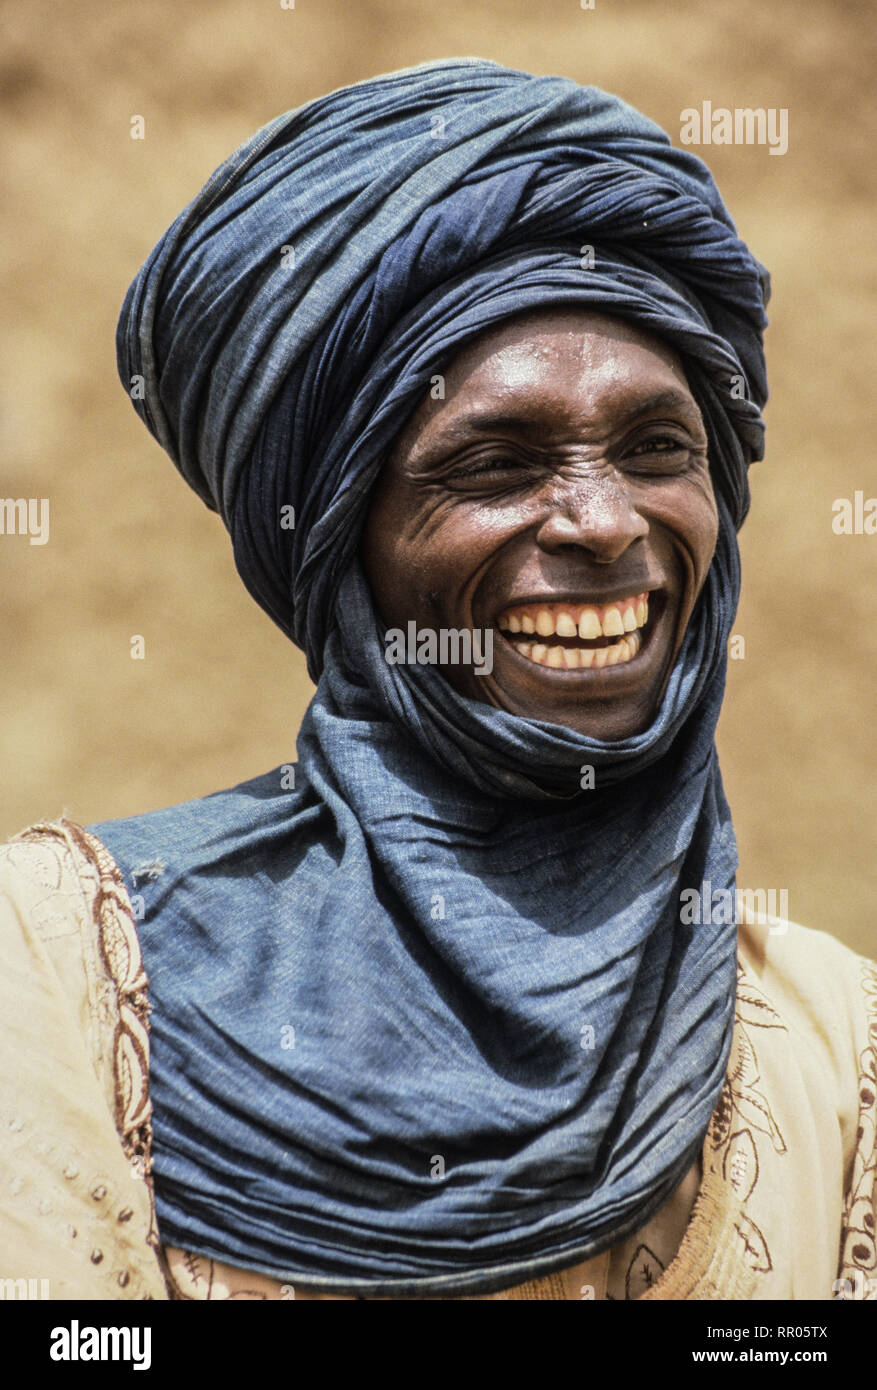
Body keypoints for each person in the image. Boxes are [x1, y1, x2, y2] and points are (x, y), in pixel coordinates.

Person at [2, 57, 874, 1302]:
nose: (599, 520)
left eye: (655, 447)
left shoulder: (839, 1050)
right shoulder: (58, 971)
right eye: (496, 462)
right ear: (341, 542)